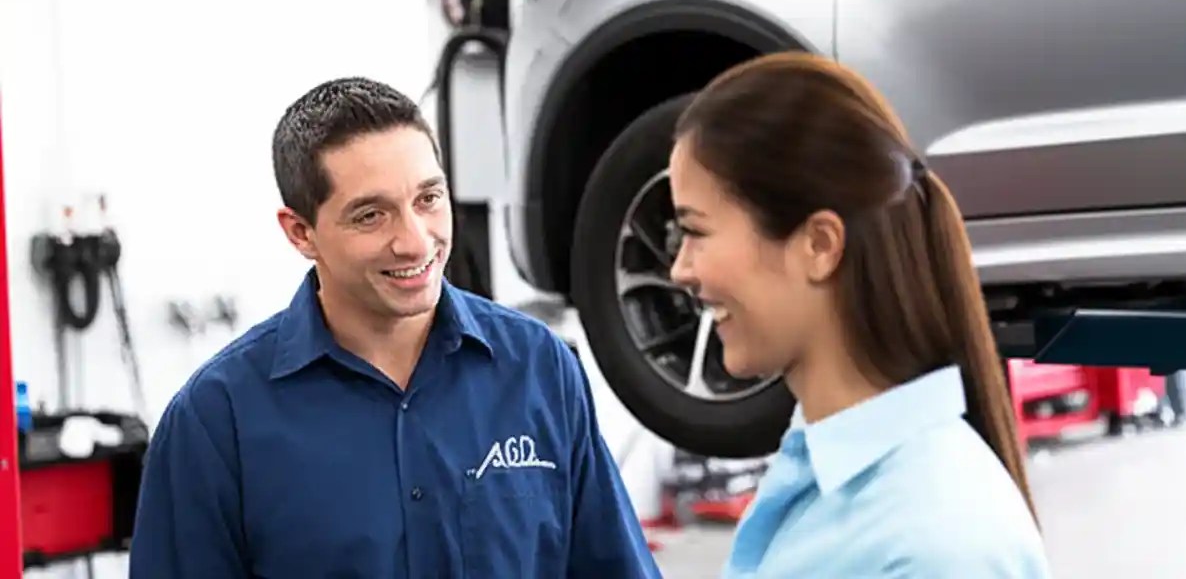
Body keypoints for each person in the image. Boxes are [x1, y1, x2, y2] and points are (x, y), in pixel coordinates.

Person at [129, 77, 660, 578]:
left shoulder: (538, 368)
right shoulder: (216, 421)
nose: (415, 241)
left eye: (428, 199)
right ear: (300, 233)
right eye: (370, 216)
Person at [667, 53, 1052, 578]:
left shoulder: (935, 544)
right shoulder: (821, 480)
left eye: (696, 231)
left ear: (819, 245)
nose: (679, 269)